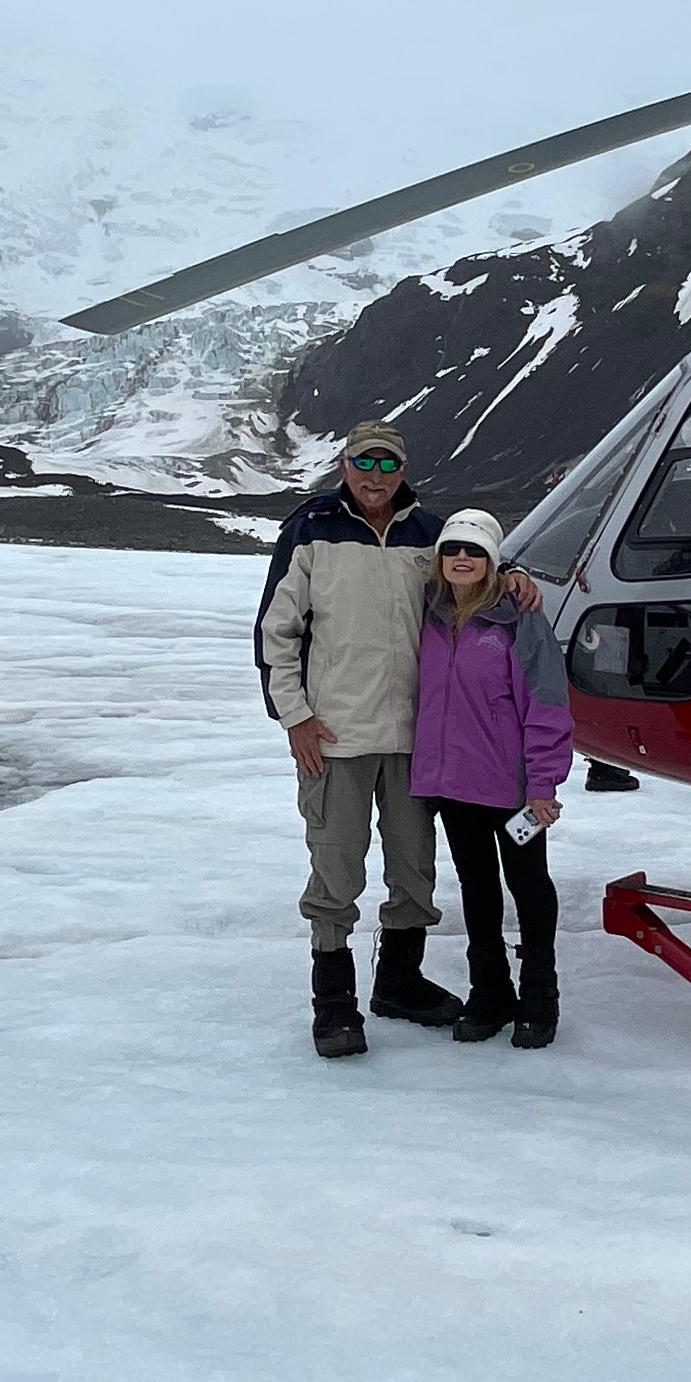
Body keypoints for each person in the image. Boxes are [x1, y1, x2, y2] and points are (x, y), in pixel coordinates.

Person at [255, 418, 534, 1058]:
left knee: (414, 868)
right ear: (345, 465)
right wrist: (294, 716)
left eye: (387, 464)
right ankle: (334, 1004)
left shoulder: (427, 533)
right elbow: (276, 631)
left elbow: (473, 568)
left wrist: (514, 574)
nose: (375, 475)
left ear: (402, 470)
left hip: (415, 737)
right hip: (334, 734)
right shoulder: (311, 530)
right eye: (364, 462)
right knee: (336, 869)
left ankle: (400, 982)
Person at [410, 509, 571, 1048]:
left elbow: (547, 703)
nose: (462, 558)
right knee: (477, 888)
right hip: (455, 785)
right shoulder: (429, 614)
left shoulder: (519, 621)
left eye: (475, 551)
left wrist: (544, 784)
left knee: (528, 884)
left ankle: (539, 994)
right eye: (453, 549)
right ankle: (490, 991)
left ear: (493, 561)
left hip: (514, 789)